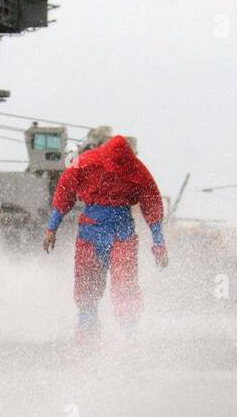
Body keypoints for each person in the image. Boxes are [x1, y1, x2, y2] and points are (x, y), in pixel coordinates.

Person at [42, 133, 167, 342]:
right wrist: (51, 227)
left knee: (124, 285)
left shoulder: (136, 170)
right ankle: (88, 332)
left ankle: (129, 335)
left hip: (120, 235)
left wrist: (159, 244)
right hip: (93, 235)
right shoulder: (90, 162)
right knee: (88, 286)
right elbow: (66, 189)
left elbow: (151, 203)